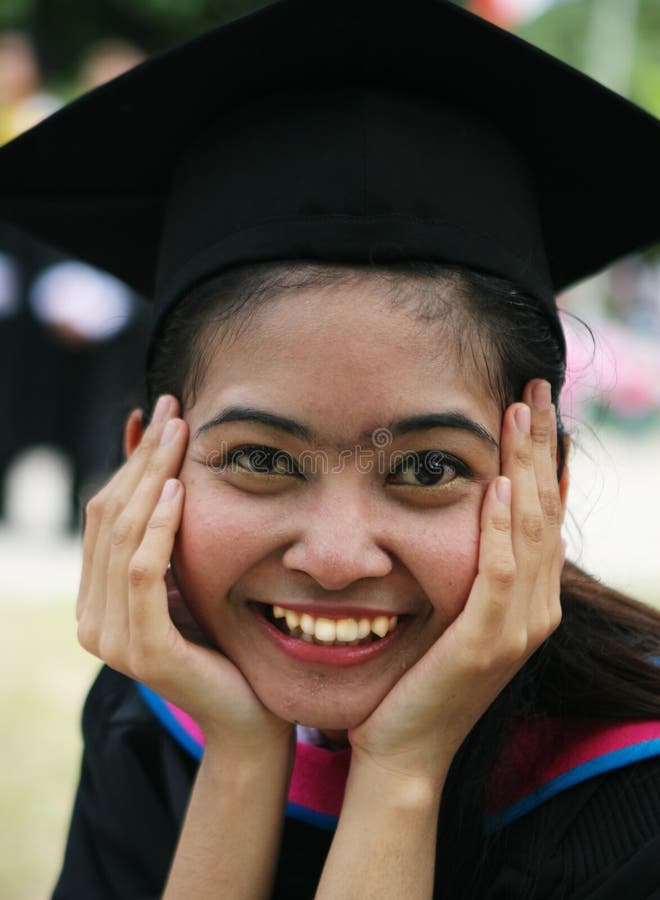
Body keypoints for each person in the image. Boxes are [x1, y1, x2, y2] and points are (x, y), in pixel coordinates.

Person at [1, 0, 659, 896]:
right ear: (145, 465)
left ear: (543, 484)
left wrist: (403, 770)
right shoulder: (151, 717)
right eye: (262, 460)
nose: (337, 558)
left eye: (428, 469)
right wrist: (238, 756)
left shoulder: (636, 803)